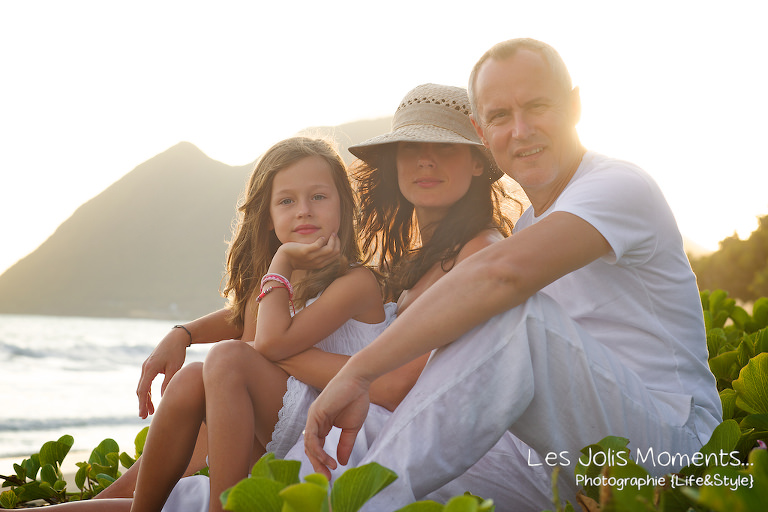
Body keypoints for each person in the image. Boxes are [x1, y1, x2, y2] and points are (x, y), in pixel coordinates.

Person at [304, 38, 722, 511]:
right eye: (501, 116)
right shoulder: (527, 226)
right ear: (482, 132)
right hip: (560, 455)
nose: (521, 131)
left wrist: (359, 371)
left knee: (509, 311)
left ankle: (364, 506)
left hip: (674, 446)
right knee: (370, 431)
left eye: (537, 106)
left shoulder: (618, 186)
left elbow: (500, 278)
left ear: (575, 106)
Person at [46, 136, 392, 512]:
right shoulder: (279, 288)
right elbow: (241, 317)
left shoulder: (355, 282)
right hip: (280, 427)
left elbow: (271, 343)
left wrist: (282, 260)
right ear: (268, 216)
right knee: (191, 379)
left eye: (319, 197)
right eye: (286, 201)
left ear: (343, 204)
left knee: (228, 359)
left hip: (334, 428)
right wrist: (183, 334)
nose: (303, 211)